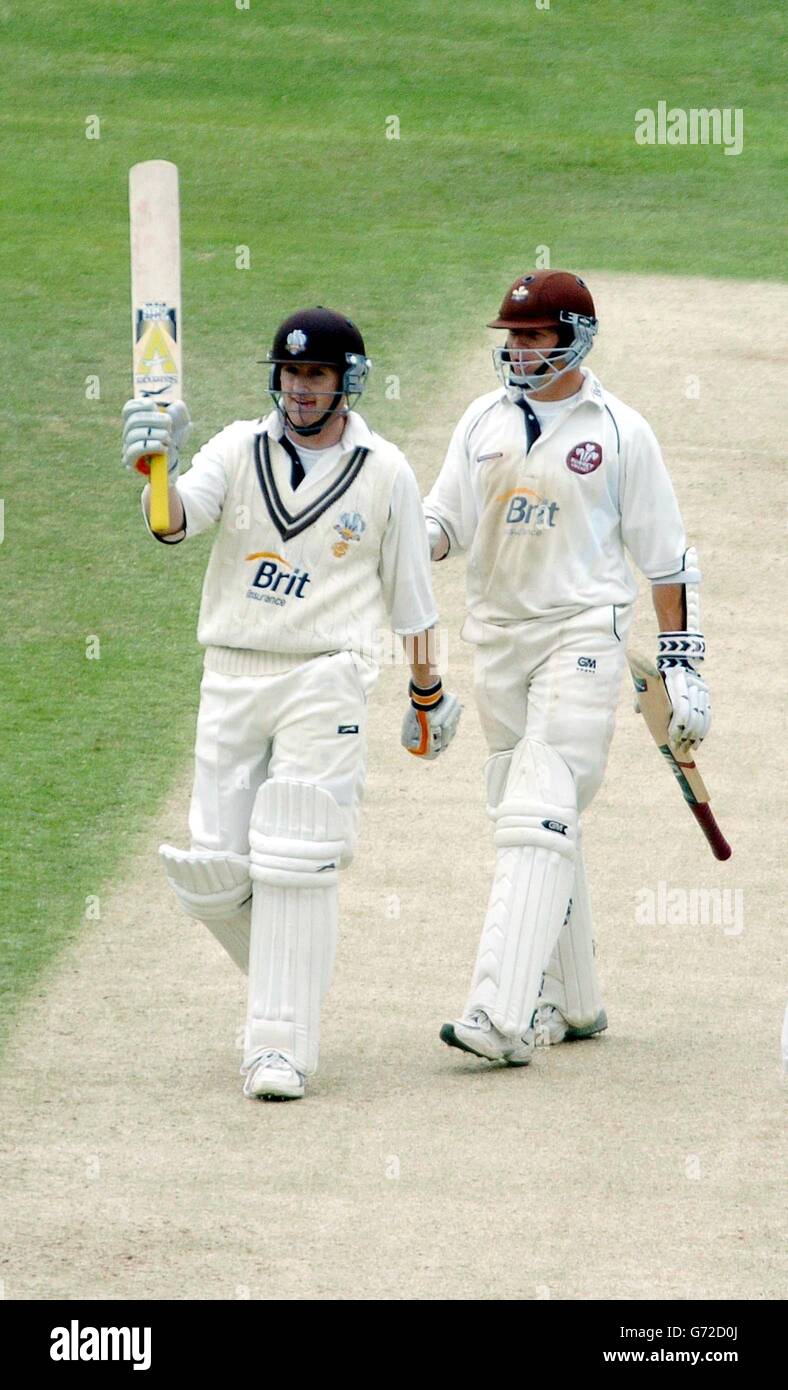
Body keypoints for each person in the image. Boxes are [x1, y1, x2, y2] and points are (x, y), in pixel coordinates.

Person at [121, 306, 461, 1101]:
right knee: (215, 872)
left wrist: (427, 691)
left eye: (316, 375)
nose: (300, 389)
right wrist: (156, 463)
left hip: (326, 673)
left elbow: (412, 600)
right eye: (290, 373)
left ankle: (277, 1050)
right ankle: (293, 990)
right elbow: (172, 525)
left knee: (297, 850)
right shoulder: (236, 448)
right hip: (233, 670)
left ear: (347, 382)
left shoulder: (387, 472)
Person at [422, 270, 710, 1066]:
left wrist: (683, 669)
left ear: (575, 338)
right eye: (511, 337)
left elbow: (666, 558)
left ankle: (502, 1011)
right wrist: (404, 544)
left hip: (584, 631)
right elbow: (444, 520)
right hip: (499, 638)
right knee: (529, 812)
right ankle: (572, 999)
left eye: (533, 336)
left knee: (542, 795)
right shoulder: (482, 420)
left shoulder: (621, 431)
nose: (517, 350)